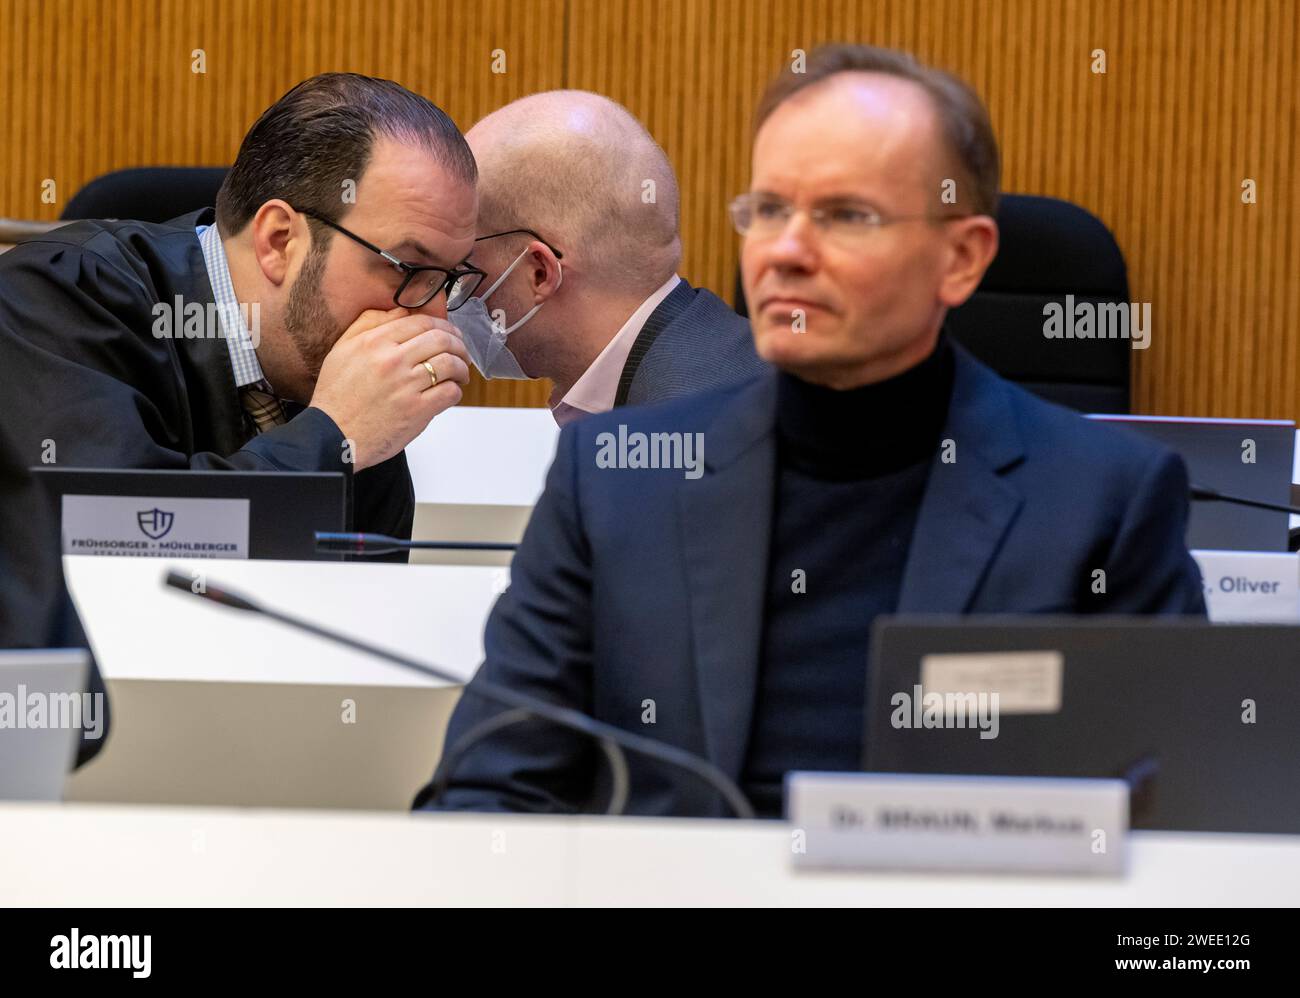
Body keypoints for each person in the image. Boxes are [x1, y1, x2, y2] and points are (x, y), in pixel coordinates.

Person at [420, 45, 1206, 818]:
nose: (786, 252)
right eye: (768, 211)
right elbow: (489, 789)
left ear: (962, 259)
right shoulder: (617, 477)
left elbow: (1182, 839)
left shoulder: (1102, 502)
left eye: (844, 216)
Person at [0, 73, 477, 762]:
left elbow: (351, 629)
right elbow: (113, 546)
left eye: (452, 280)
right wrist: (333, 439)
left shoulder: (340, 366)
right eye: (410, 266)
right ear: (280, 240)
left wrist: (346, 435)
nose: (431, 315)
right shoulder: (54, 299)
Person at [453, 90, 765, 423]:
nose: (451, 298)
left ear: (540, 272)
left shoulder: (667, 441)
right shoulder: (739, 362)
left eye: (463, 270)